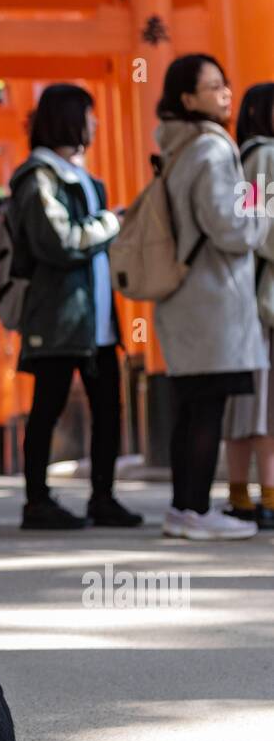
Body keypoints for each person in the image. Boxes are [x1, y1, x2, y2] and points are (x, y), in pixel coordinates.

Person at [10, 82, 142, 530]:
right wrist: (112, 222)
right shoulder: (38, 177)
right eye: (89, 114)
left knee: (109, 405)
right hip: (60, 314)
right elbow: (59, 241)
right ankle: (37, 501)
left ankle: (103, 496)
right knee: (48, 405)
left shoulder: (83, 176)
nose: (96, 123)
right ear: (69, 118)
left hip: (95, 314)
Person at [153, 55, 271, 540]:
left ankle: (186, 506)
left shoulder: (180, 149)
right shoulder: (211, 150)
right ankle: (196, 509)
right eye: (214, 86)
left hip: (188, 297)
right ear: (188, 98)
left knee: (193, 406)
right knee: (207, 407)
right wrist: (264, 213)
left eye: (226, 84)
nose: (225, 94)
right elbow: (230, 227)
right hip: (215, 298)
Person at [220, 82, 274, 529]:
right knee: (262, 402)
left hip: (250, 296)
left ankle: (242, 494)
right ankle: (265, 494)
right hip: (264, 297)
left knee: (250, 403)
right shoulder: (265, 156)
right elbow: (258, 225)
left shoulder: (246, 156)